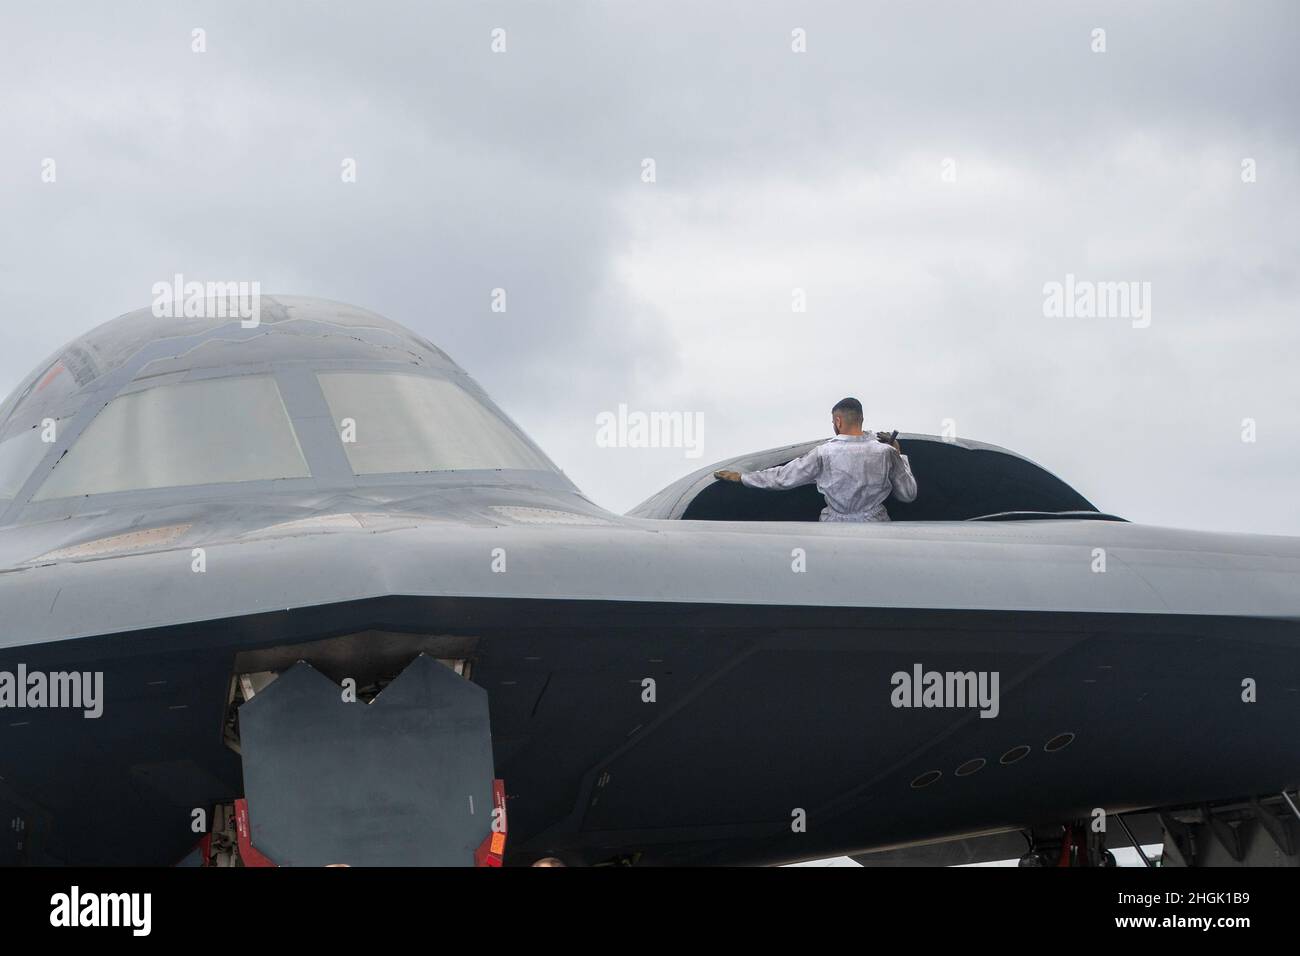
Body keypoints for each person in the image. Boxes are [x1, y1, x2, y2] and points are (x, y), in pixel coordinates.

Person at [713, 397, 916, 522]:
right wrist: (899, 456)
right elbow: (908, 495)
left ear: (838, 421)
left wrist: (743, 478)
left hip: (833, 532)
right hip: (877, 531)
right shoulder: (886, 452)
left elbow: (782, 478)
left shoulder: (823, 453)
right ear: (861, 419)